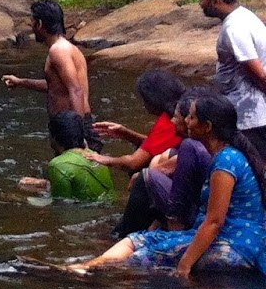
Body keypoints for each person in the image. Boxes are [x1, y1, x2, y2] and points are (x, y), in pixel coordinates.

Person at [71, 92, 266, 278]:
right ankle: (87, 266)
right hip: (230, 237)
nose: (186, 122)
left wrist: (184, 266)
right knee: (137, 239)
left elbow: (215, 222)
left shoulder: (226, 161)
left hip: (235, 243)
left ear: (207, 126)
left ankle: (93, 274)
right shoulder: (225, 155)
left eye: (191, 117)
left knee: (141, 256)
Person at [104, 85, 216, 238]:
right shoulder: (208, 142)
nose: (172, 121)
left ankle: (123, 234)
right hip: (202, 209)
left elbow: (179, 196)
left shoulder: (192, 146)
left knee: (146, 177)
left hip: (198, 217)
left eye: (178, 117)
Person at [1, 0, 97, 147]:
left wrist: (77, 134)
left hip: (71, 127)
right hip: (70, 125)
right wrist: (21, 82)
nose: (32, 27)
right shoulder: (66, 48)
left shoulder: (58, 51)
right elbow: (57, 86)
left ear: (39, 24)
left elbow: (76, 90)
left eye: (32, 22)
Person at [200, 0, 266, 154]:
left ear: (215, 0)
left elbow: (259, 74)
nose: (200, 4)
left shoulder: (234, 28)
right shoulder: (244, 16)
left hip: (251, 116)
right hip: (251, 112)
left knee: (257, 169)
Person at [91, 69, 186, 174]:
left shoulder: (170, 122)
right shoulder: (179, 110)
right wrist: (126, 133)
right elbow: (155, 145)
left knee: (141, 171)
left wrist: (105, 159)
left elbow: (134, 163)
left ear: (152, 99)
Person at [19, 111, 114, 201]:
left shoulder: (58, 165)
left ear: (54, 138)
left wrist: (17, 198)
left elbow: (61, 204)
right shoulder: (97, 157)